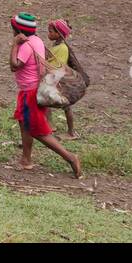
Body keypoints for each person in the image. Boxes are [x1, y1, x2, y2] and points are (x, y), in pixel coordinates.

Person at [9, 13, 81, 177]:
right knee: (24, 124)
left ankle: (70, 158)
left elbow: (14, 66)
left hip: (30, 93)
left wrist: (14, 45)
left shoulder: (25, 45)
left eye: (13, 28)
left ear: (18, 30)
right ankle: (25, 160)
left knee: (39, 132)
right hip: (31, 91)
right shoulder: (37, 41)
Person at [45, 19, 78, 139]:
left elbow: (57, 65)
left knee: (66, 106)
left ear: (58, 33)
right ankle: (50, 125)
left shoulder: (62, 48)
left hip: (59, 81)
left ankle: (71, 133)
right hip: (56, 79)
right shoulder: (57, 45)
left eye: (50, 31)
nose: (48, 34)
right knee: (46, 102)